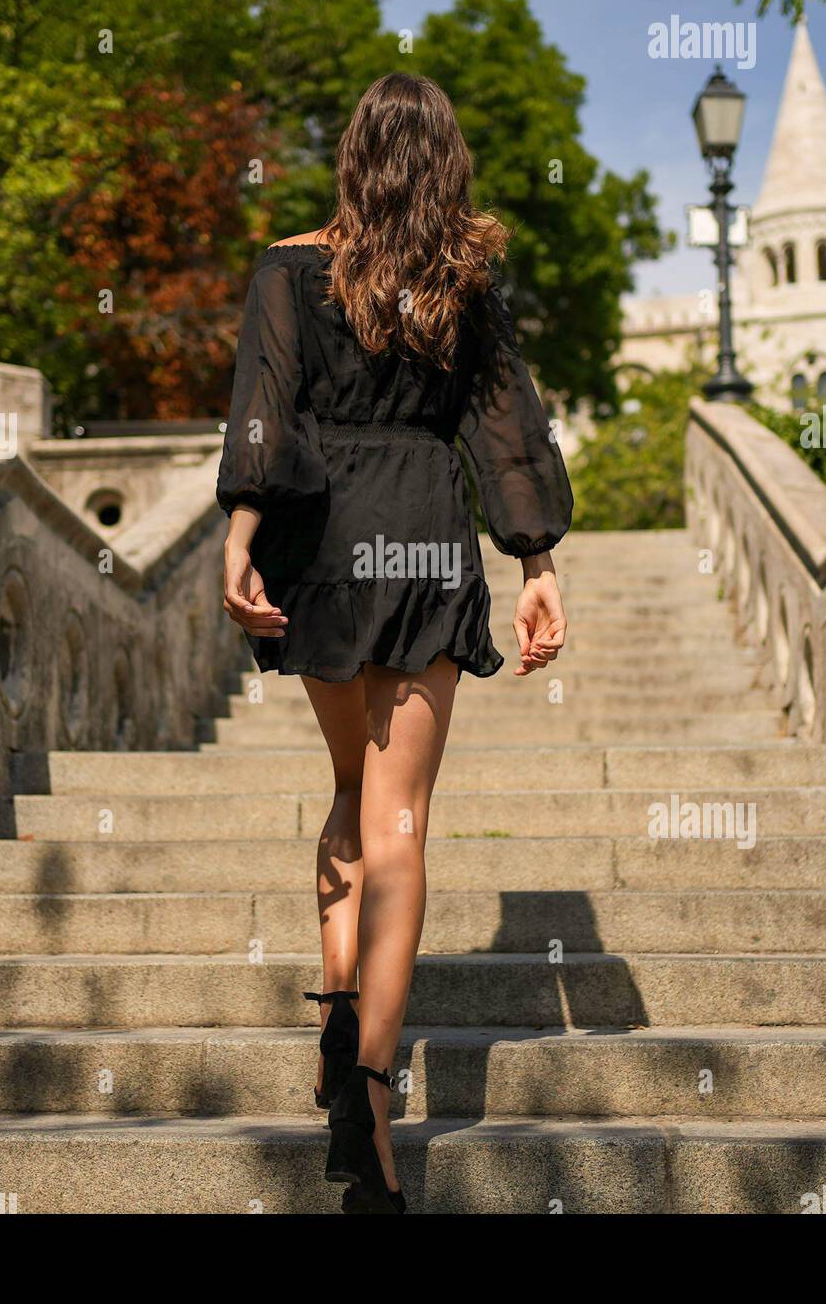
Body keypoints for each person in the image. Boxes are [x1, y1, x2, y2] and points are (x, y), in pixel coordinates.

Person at [217, 71, 572, 1213]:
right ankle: (368, 1095)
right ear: (445, 162)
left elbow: (265, 407)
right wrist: (536, 562)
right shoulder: (464, 280)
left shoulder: (287, 264)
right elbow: (504, 419)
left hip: (321, 540)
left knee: (342, 794)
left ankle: (334, 1010)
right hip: (420, 533)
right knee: (400, 821)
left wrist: (239, 537)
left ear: (352, 153)